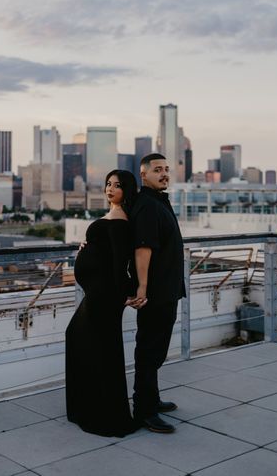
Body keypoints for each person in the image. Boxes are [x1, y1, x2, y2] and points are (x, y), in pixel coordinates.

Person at [65, 169, 139, 437]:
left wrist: (126, 293)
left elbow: (121, 263)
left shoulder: (120, 221)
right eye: (108, 184)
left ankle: (104, 414)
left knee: (99, 348)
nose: (110, 189)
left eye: (117, 186)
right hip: (98, 292)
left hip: (105, 295)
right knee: (88, 342)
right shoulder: (113, 217)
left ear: (127, 190)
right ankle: (89, 408)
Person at [127, 153, 186, 434]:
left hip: (167, 289)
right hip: (156, 293)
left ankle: (151, 399)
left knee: (156, 350)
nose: (164, 174)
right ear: (144, 174)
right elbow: (143, 248)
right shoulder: (148, 206)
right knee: (149, 351)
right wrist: (142, 287)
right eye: (157, 170)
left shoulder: (158, 201)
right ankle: (144, 410)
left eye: (166, 169)